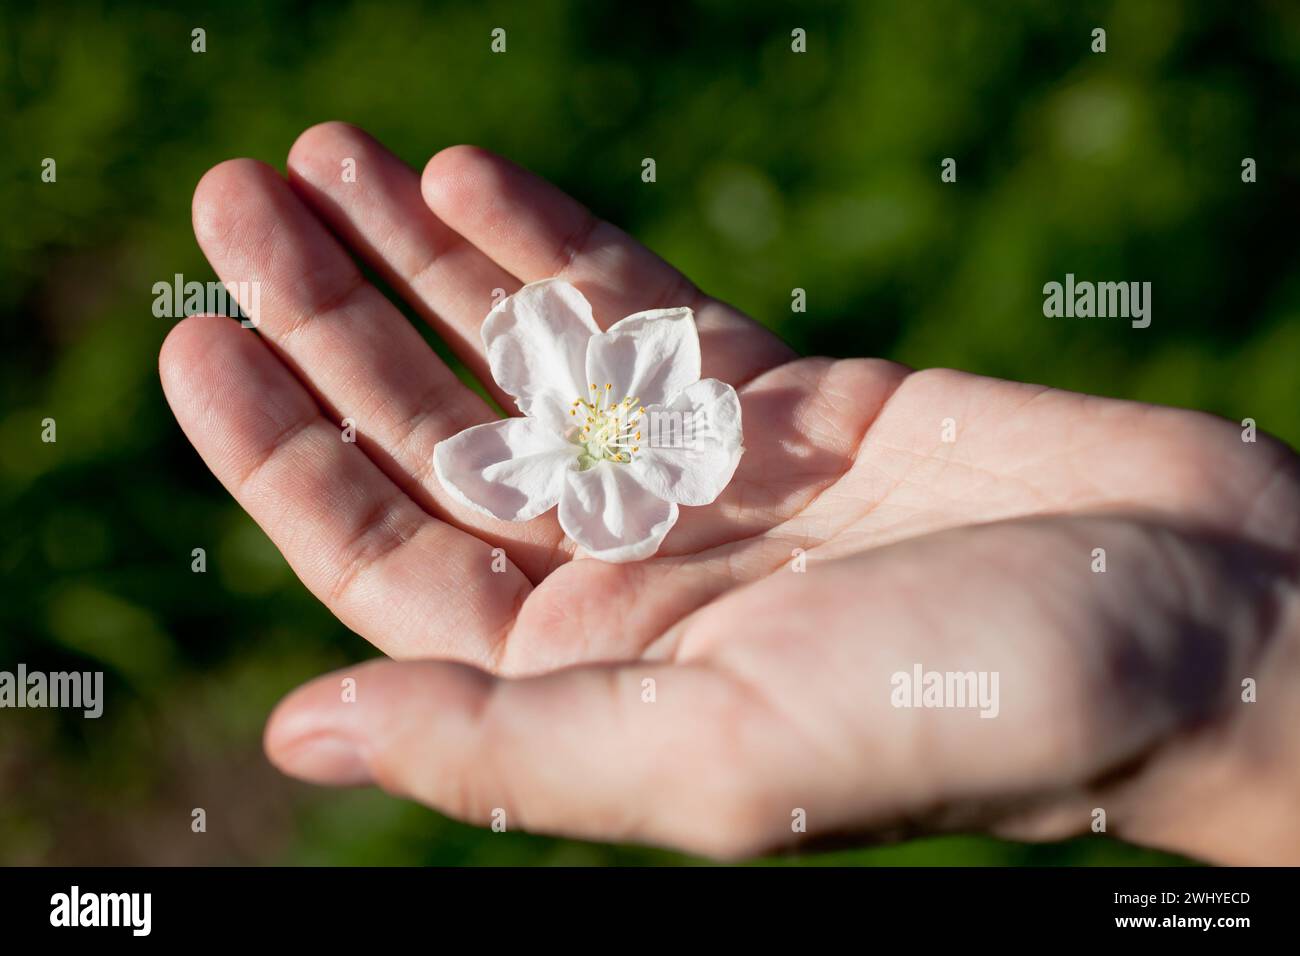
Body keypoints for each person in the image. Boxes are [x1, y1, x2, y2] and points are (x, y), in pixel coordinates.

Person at [159, 122, 1300, 864]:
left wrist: (1241, 657)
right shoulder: (541, 437)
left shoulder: (654, 417)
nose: (599, 420)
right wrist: (1246, 646)